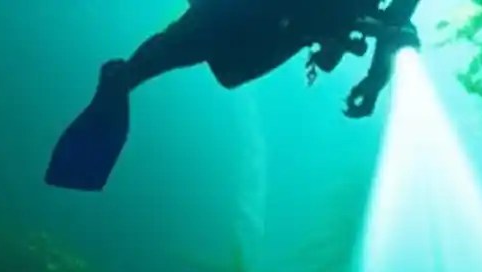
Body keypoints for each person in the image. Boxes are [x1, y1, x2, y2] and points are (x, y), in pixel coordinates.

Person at [45, 0, 419, 191]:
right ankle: (120, 83)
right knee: (197, 53)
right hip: (273, 18)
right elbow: (395, 25)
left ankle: (120, 80)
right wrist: (373, 77)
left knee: (179, 54)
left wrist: (374, 76)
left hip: (271, 20)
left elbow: (396, 23)